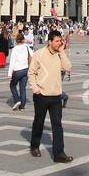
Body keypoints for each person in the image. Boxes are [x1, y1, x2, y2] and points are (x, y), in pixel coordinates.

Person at [28, 30, 73, 163]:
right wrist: (35, 88)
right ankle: (34, 146)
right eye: (57, 41)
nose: (60, 43)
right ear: (50, 42)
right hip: (41, 95)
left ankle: (59, 153)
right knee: (39, 122)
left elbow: (68, 67)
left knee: (57, 124)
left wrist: (62, 52)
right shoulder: (39, 54)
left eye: (61, 41)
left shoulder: (60, 54)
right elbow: (31, 73)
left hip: (56, 95)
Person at [8, 32, 30, 111]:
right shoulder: (26, 47)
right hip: (25, 69)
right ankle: (22, 107)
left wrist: (10, 73)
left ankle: (17, 100)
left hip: (17, 70)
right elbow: (33, 55)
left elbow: (12, 62)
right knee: (23, 88)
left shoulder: (15, 49)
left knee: (12, 85)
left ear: (16, 40)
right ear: (23, 40)